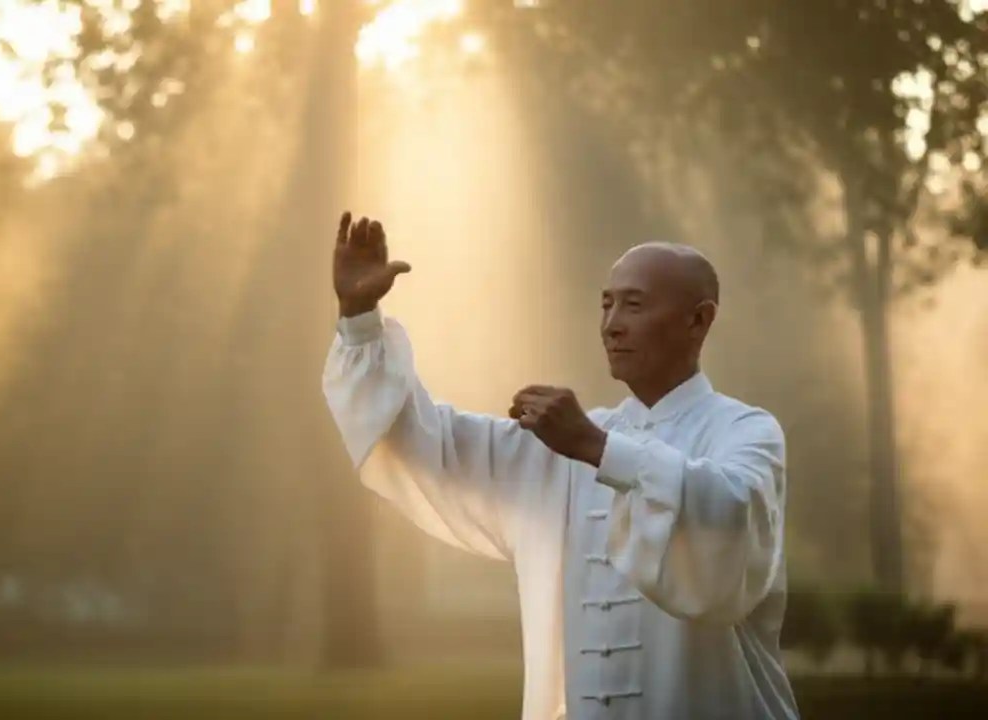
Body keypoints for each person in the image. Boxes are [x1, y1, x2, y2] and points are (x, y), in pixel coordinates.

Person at [322, 212, 799, 720]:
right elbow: (427, 445)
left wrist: (599, 448)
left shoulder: (744, 431)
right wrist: (360, 320)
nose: (612, 324)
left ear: (698, 320)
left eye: (634, 305)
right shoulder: (560, 446)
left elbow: (730, 512)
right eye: (606, 304)